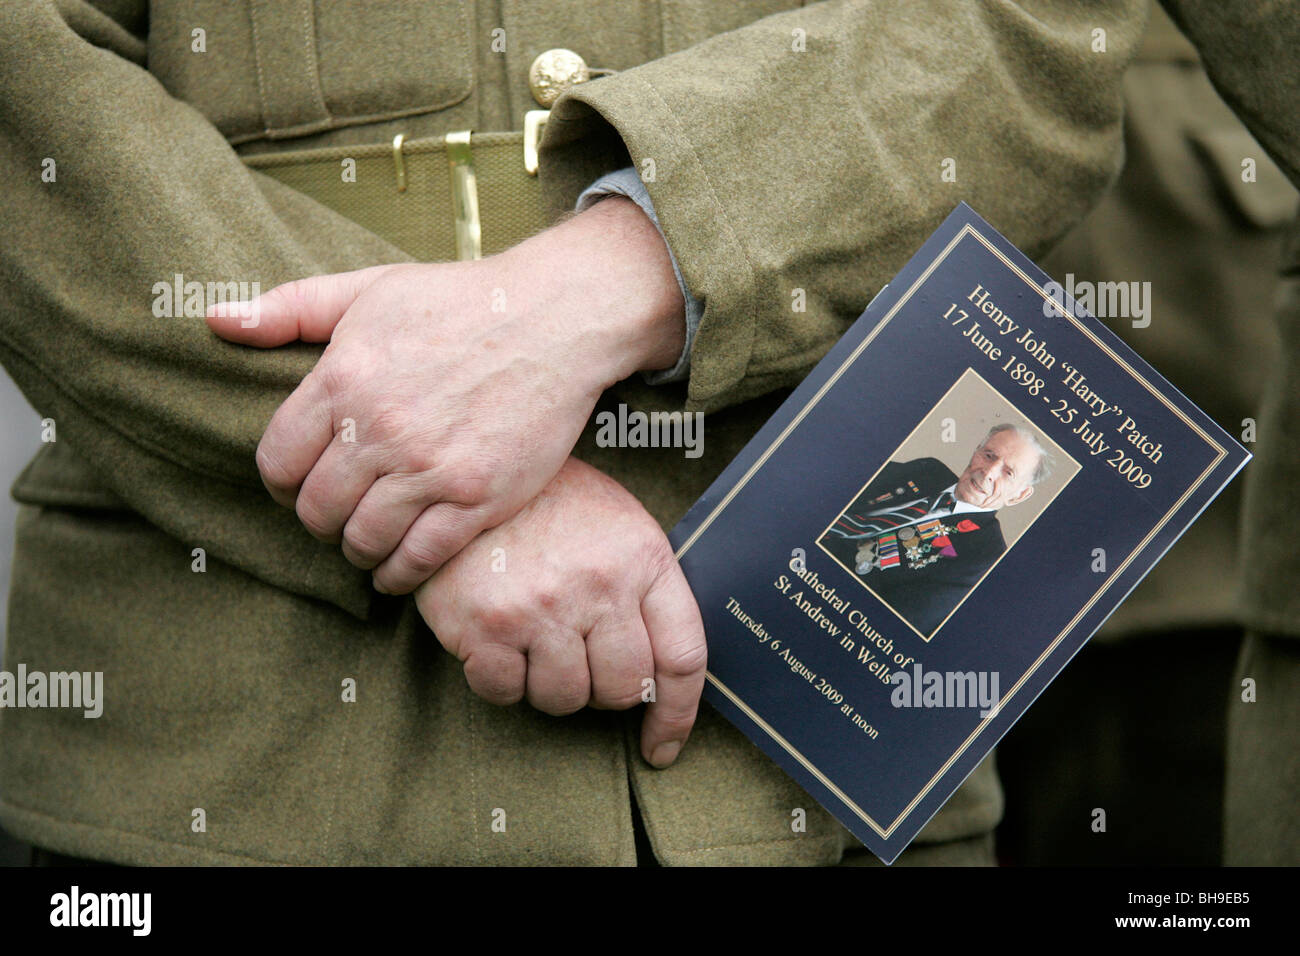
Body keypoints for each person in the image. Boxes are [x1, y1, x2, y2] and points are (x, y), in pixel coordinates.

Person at [0, 0, 1293, 868]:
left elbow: (1028, 33)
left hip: (814, 767)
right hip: (233, 775)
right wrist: (411, 450)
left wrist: (631, 270)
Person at [820, 424, 1050, 635]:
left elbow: (895, 624)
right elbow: (841, 482)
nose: (988, 472)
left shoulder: (985, 554)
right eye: (988, 456)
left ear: (1020, 495)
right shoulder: (929, 470)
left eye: (1008, 473)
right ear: (976, 450)